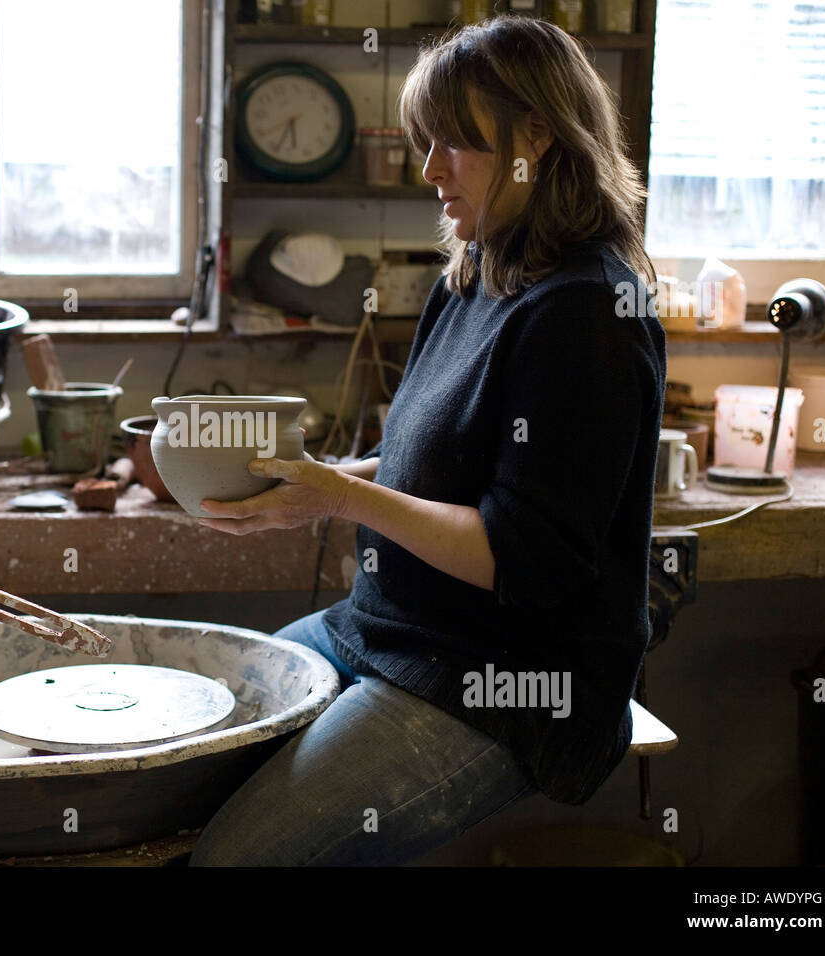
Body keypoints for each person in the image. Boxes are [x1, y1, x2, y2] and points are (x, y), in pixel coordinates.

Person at [188, 15, 667, 866]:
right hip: (383, 630)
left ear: (536, 137)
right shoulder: (476, 272)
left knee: (236, 862)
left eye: (455, 143)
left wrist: (340, 496)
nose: (429, 170)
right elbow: (435, 469)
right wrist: (315, 485)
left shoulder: (587, 311)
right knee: (188, 749)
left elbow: (525, 556)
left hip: (500, 685)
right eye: (426, 142)